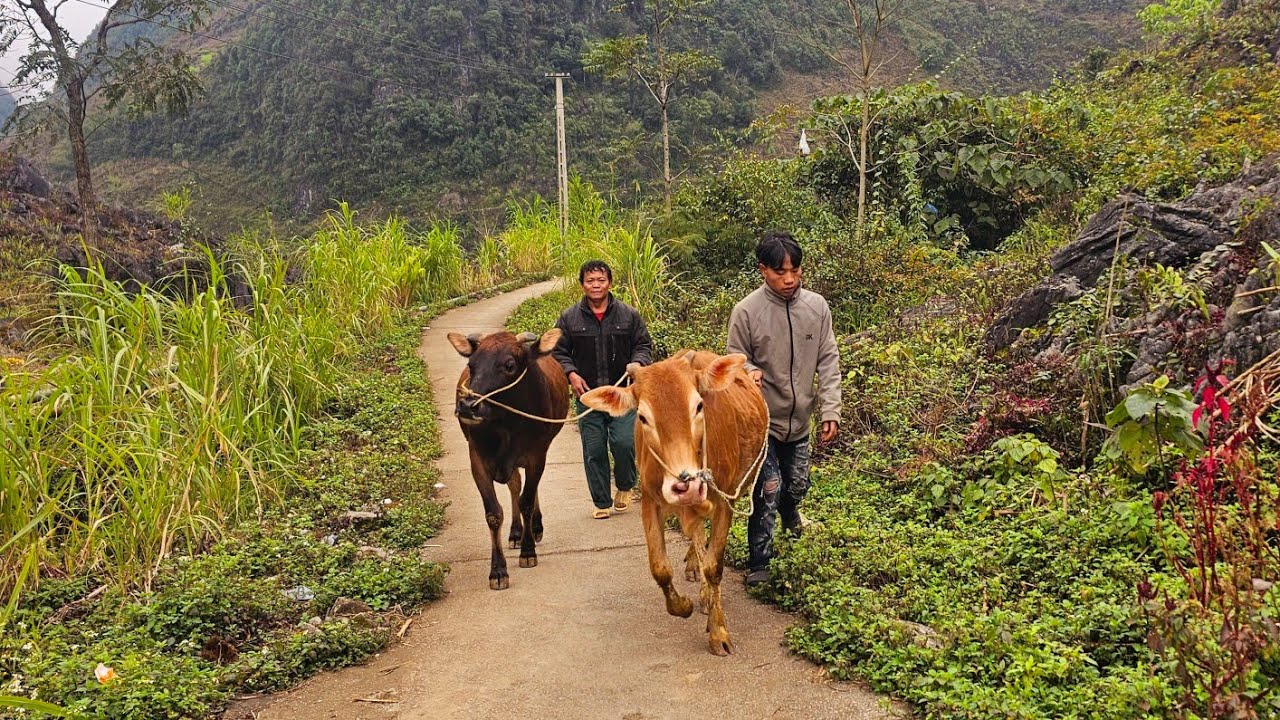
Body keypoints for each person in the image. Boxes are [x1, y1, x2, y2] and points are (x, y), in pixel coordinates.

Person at [726, 231, 842, 587]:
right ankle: (759, 561)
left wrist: (831, 409)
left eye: (795, 271)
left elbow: (828, 359)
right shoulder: (747, 312)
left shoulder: (816, 307)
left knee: (797, 484)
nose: (789, 279)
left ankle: (792, 514)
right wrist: (749, 370)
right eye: (780, 272)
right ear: (763, 269)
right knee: (769, 487)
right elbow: (733, 360)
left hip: (801, 418)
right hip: (762, 422)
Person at [553, 260, 654, 520]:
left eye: (600, 280)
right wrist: (571, 374)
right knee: (594, 449)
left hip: (622, 393)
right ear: (582, 285)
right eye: (590, 281)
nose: (595, 285)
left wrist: (638, 363)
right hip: (588, 395)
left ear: (609, 283)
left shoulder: (628, 315)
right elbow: (558, 352)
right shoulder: (569, 318)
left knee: (623, 443)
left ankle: (624, 485)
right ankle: (601, 500)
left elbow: (643, 345)